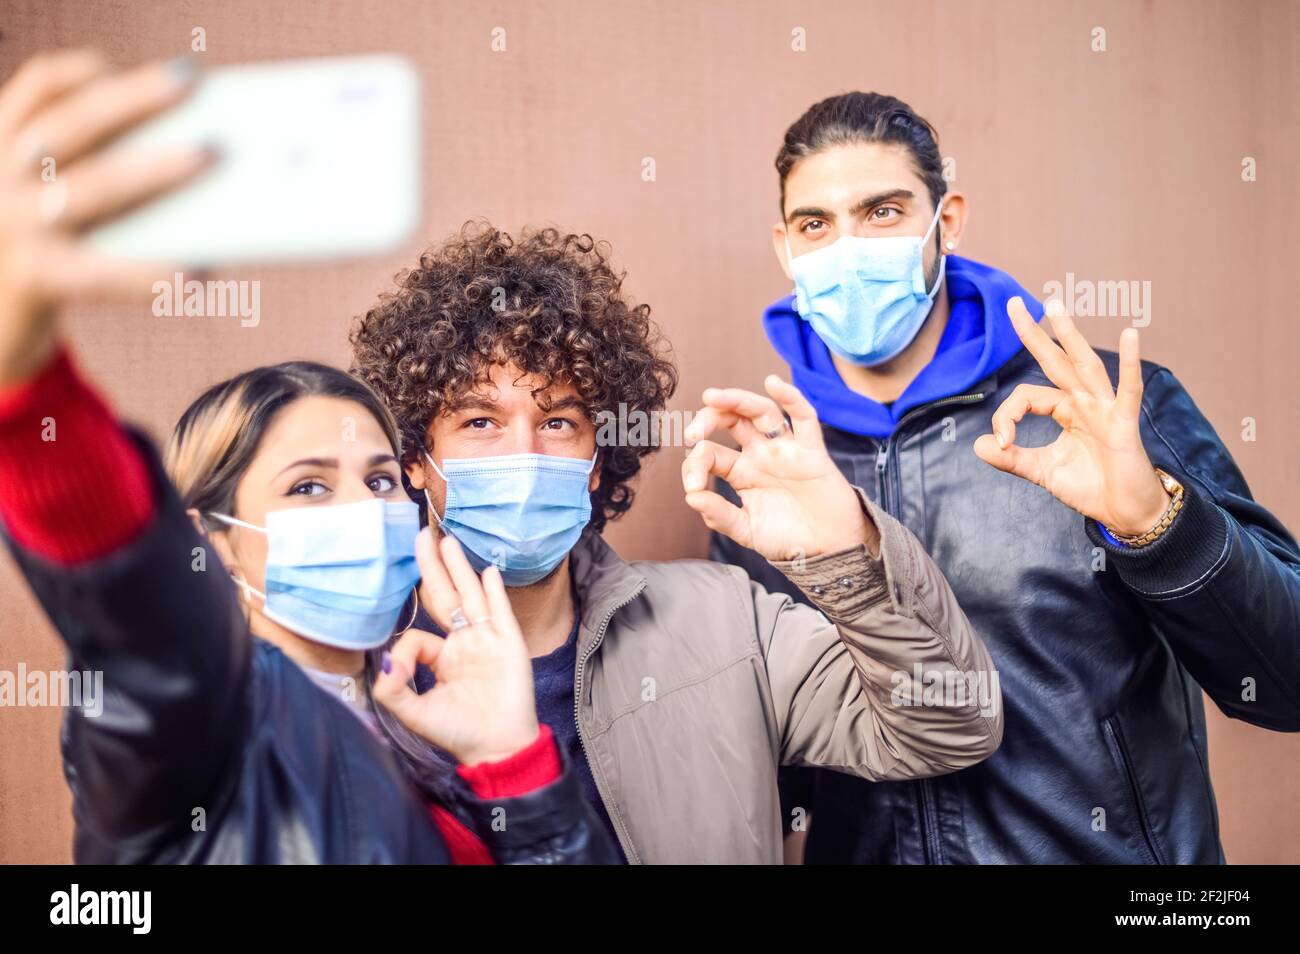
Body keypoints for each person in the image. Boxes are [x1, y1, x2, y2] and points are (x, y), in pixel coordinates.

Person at [0, 50, 617, 864]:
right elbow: (141, 620)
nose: (364, 508)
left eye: (380, 480)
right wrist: (27, 391)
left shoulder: (424, 733)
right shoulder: (199, 722)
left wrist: (513, 766)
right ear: (210, 539)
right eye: (308, 487)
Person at [711, 91, 1300, 864]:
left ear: (945, 220)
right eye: (816, 224)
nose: (847, 247)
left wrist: (1157, 525)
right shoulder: (768, 471)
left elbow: (1285, 682)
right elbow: (781, 771)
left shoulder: (1097, 411)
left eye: (883, 212)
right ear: (786, 247)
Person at [348, 223, 1004, 864]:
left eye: (556, 421)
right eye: (480, 420)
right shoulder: (355, 672)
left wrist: (850, 556)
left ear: (597, 460)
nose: (524, 453)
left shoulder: (728, 622)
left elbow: (951, 724)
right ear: (414, 457)